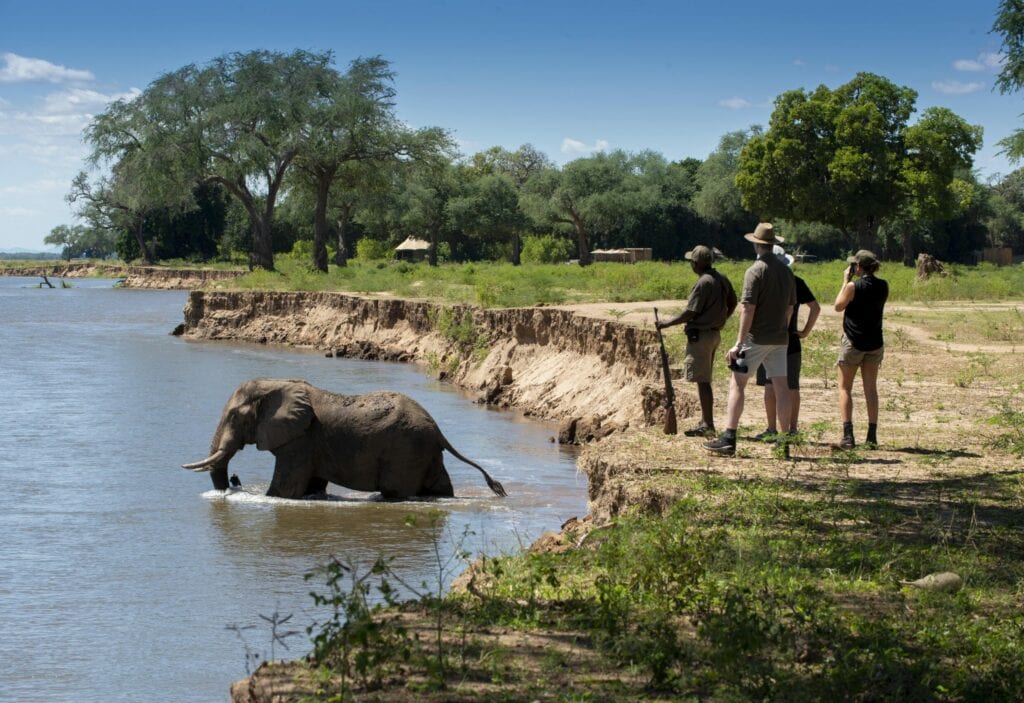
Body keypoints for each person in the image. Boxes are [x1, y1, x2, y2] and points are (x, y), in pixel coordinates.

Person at [705, 223, 796, 457]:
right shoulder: (787, 272)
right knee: (781, 388)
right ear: (773, 244)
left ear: (756, 244)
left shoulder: (754, 271)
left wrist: (738, 342)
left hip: (756, 338)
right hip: (780, 338)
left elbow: (748, 308)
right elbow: (790, 308)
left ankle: (729, 437)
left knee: (737, 383)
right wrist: (782, 329)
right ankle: (784, 441)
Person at [656, 245, 737, 436]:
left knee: (702, 381)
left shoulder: (703, 283)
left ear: (695, 264)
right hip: (714, 334)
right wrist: (721, 318)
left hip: (701, 336)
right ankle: (705, 421)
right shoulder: (721, 279)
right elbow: (733, 302)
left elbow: (690, 312)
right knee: (704, 379)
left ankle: (707, 425)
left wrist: (666, 324)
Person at [751, 245, 821, 440]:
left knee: (769, 385)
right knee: (791, 386)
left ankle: (772, 428)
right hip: (789, 339)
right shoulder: (795, 281)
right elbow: (815, 308)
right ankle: (791, 429)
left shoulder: (761, 281)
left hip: (764, 339)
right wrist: (804, 332)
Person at [834, 249, 888, 449]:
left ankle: (848, 436)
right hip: (875, 343)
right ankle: (872, 436)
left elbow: (838, 306)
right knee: (870, 389)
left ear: (858, 267)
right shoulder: (883, 285)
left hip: (853, 343)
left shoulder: (852, 286)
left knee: (845, 388)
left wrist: (845, 281)